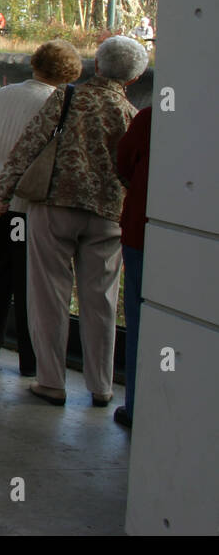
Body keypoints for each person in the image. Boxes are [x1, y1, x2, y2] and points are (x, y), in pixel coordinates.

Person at [0, 35, 147, 408]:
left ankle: (51, 382)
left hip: (55, 204)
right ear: (133, 79)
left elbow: (29, 144)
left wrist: (3, 192)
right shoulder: (130, 113)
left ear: (97, 64)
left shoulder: (67, 97)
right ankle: (101, 386)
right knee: (101, 302)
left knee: (49, 295)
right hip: (108, 215)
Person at [0, 39, 83, 375]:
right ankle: (31, 362)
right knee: (30, 282)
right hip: (27, 209)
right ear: (69, 73)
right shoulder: (58, 104)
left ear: (35, 63)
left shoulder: (2, 95)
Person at [115, 104, 152, 429]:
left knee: (141, 320)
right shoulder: (130, 109)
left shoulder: (153, 116)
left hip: (143, 231)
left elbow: (124, 164)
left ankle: (136, 406)